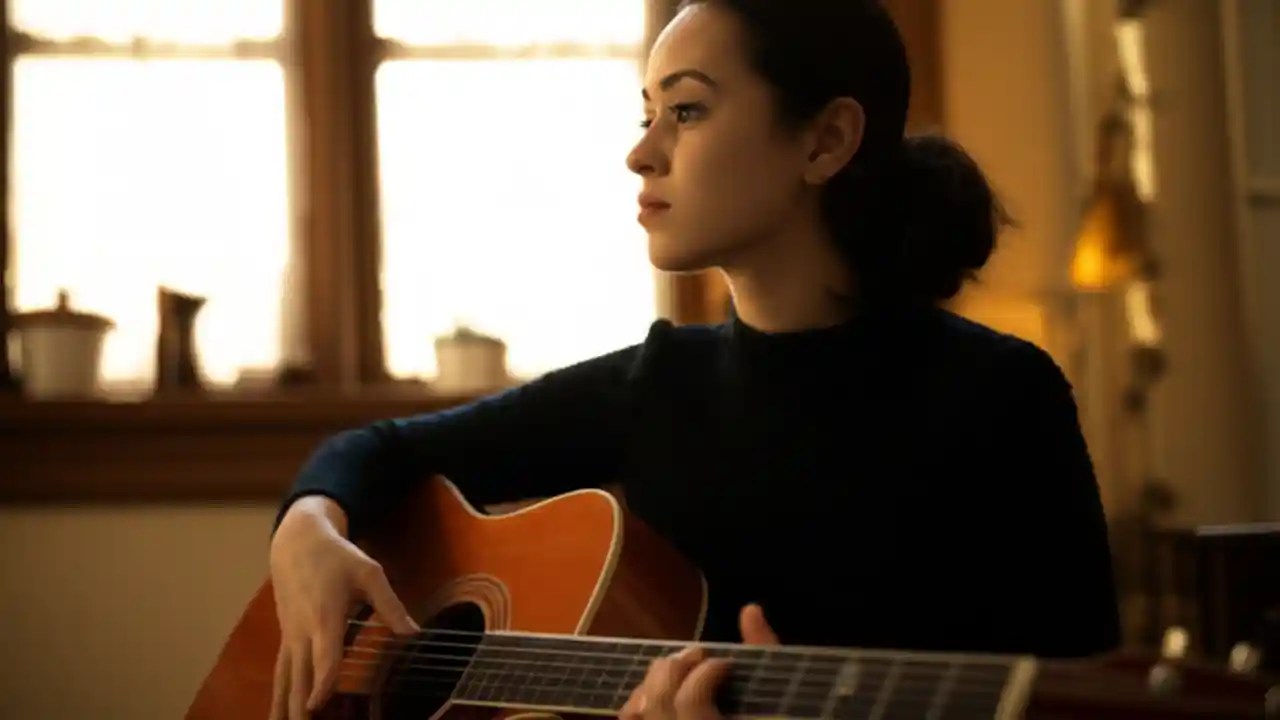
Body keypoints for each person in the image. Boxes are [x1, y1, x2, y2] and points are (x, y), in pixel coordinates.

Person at [267, 0, 1122, 718]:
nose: (641, 152)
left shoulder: (1001, 398)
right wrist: (308, 526)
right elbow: (378, 452)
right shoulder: (659, 383)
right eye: (647, 113)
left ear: (825, 141)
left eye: (686, 110)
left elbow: (1090, 698)